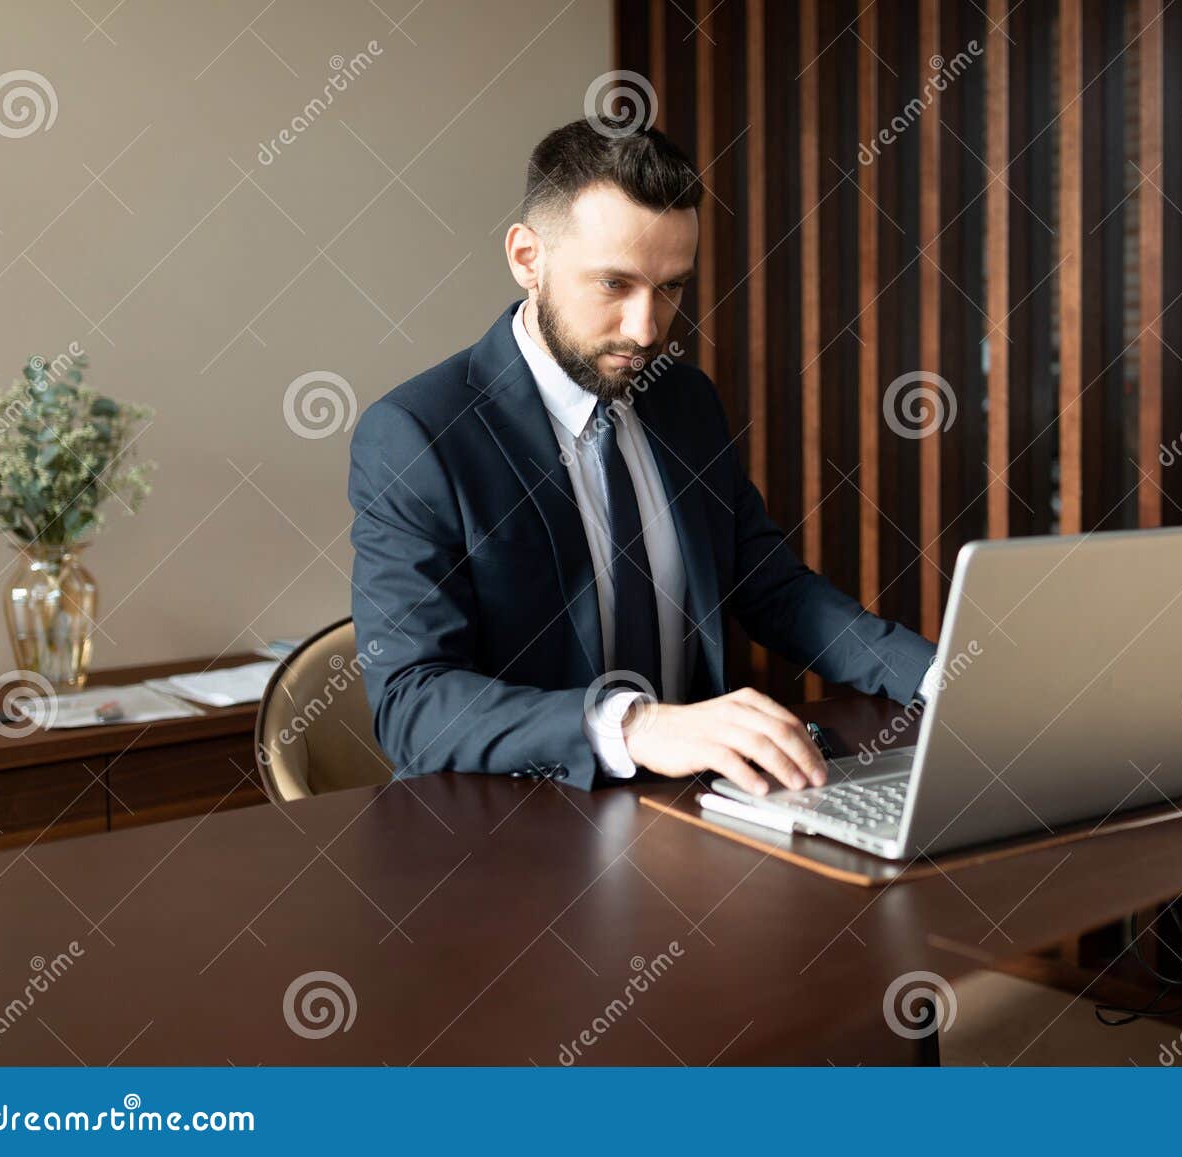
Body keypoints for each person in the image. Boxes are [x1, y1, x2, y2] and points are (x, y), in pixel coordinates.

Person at [348, 116, 936, 796]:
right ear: (526, 258)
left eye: (672, 288)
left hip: (692, 812)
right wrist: (635, 727)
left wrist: (938, 675)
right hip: (520, 833)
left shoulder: (685, 401)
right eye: (614, 285)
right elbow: (413, 702)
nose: (646, 328)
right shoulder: (417, 434)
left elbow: (773, 590)